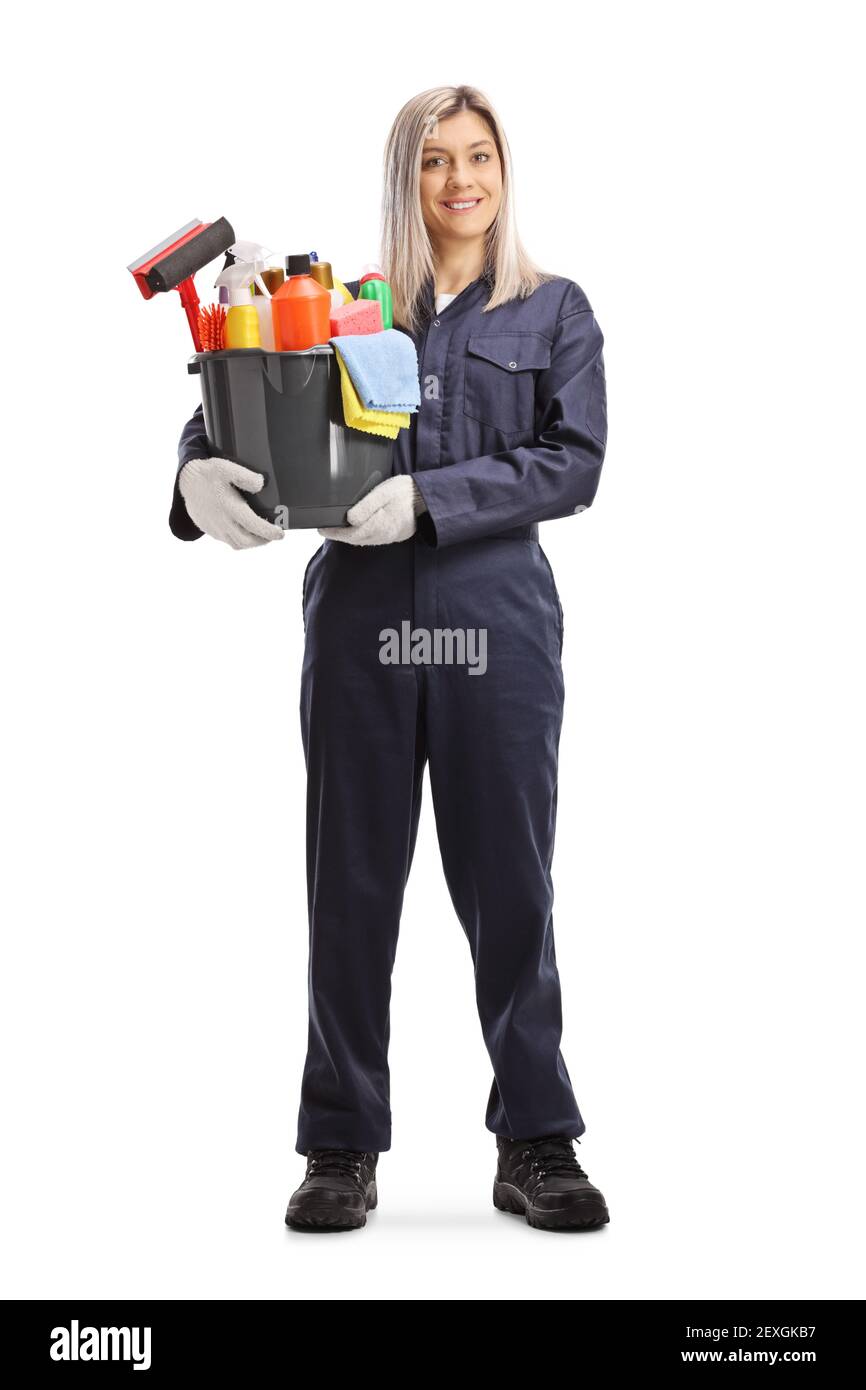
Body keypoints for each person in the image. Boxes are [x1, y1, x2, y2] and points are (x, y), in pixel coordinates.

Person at [171, 85, 611, 1234]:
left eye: (477, 157)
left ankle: (536, 1138)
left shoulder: (553, 311)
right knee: (350, 885)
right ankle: (337, 1148)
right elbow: (250, 390)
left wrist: (429, 495)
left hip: (494, 625)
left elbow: (573, 461)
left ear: (503, 173)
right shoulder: (347, 307)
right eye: (433, 160)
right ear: (402, 179)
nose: (459, 180)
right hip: (361, 624)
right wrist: (189, 472)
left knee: (510, 886)